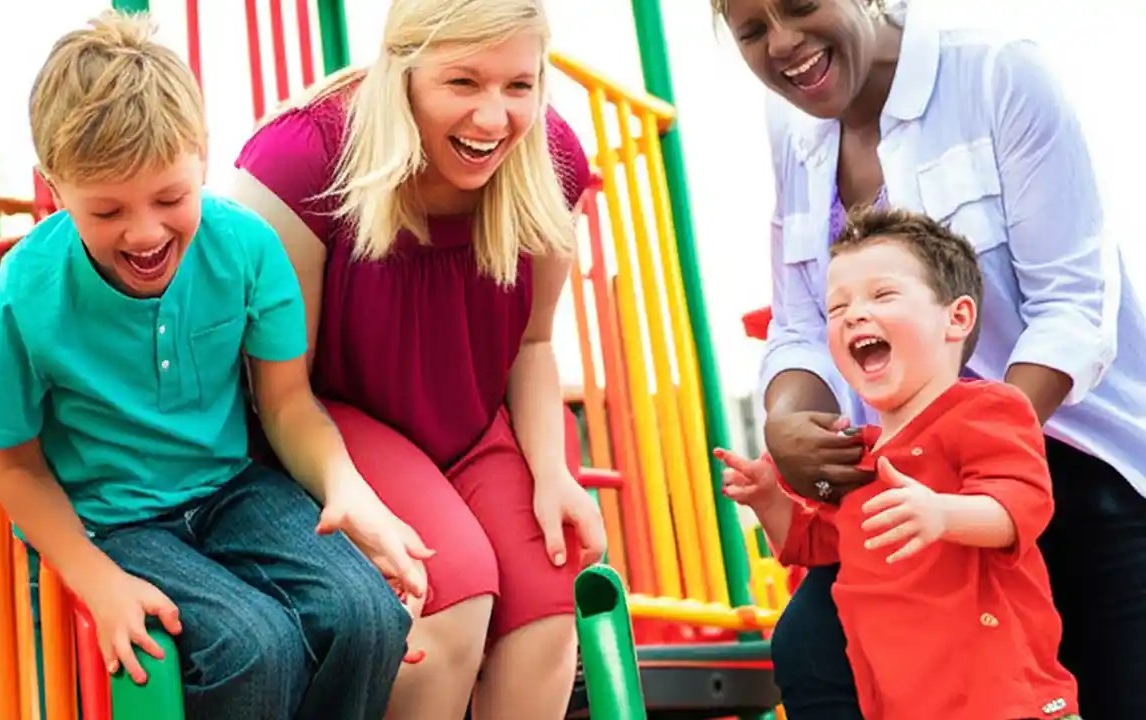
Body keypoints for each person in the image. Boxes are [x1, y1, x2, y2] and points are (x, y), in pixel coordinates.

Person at [0, 12, 427, 720]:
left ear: (201, 155)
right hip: (114, 522)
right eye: (108, 210)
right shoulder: (31, 285)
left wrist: (344, 484)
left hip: (233, 490)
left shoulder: (245, 248)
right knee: (253, 648)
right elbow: (8, 462)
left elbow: (288, 404)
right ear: (56, 184)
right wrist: (95, 577)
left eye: (170, 198)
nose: (144, 232)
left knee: (369, 615)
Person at [712, 0, 1146, 717]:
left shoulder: (999, 74)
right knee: (815, 648)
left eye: (800, 6)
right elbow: (798, 320)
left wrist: (969, 437)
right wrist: (786, 422)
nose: (784, 44)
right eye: (752, 31)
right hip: (903, 479)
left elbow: (1072, 304)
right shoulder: (793, 126)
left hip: (1072, 453)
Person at [229, 0, 608, 717]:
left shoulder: (551, 159)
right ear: (403, 70)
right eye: (463, 83)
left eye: (518, 86)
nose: (494, 119)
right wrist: (348, 490)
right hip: (331, 417)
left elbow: (531, 346)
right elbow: (278, 390)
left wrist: (554, 472)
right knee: (451, 590)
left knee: (549, 597)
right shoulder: (303, 161)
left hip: (471, 424)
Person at [717, 206, 1080, 720]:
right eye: (837, 308)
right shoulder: (858, 453)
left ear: (956, 319)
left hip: (1004, 700)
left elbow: (1022, 504)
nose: (854, 314)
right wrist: (769, 500)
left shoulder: (988, 409)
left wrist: (943, 514)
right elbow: (815, 545)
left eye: (882, 295)